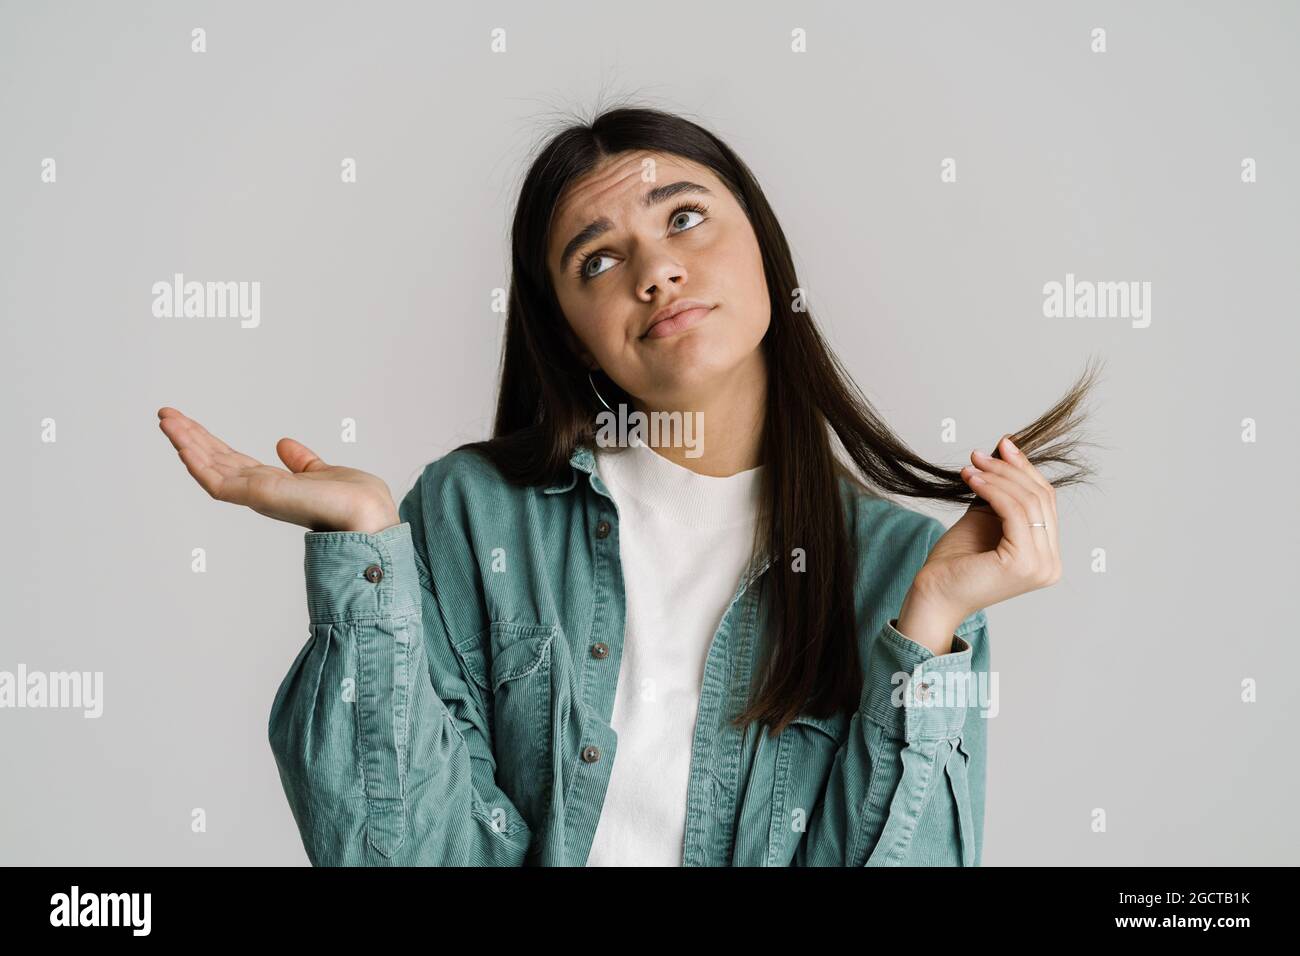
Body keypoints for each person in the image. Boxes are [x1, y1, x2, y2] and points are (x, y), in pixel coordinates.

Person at [157, 105, 1099, 866]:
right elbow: (394, 852)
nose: (656, 270)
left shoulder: (903, 573)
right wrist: (367, 546)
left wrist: (931, 621)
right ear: (570, 331)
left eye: (685, 217)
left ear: (763, 247)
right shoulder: (471, 512)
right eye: (597, 260)